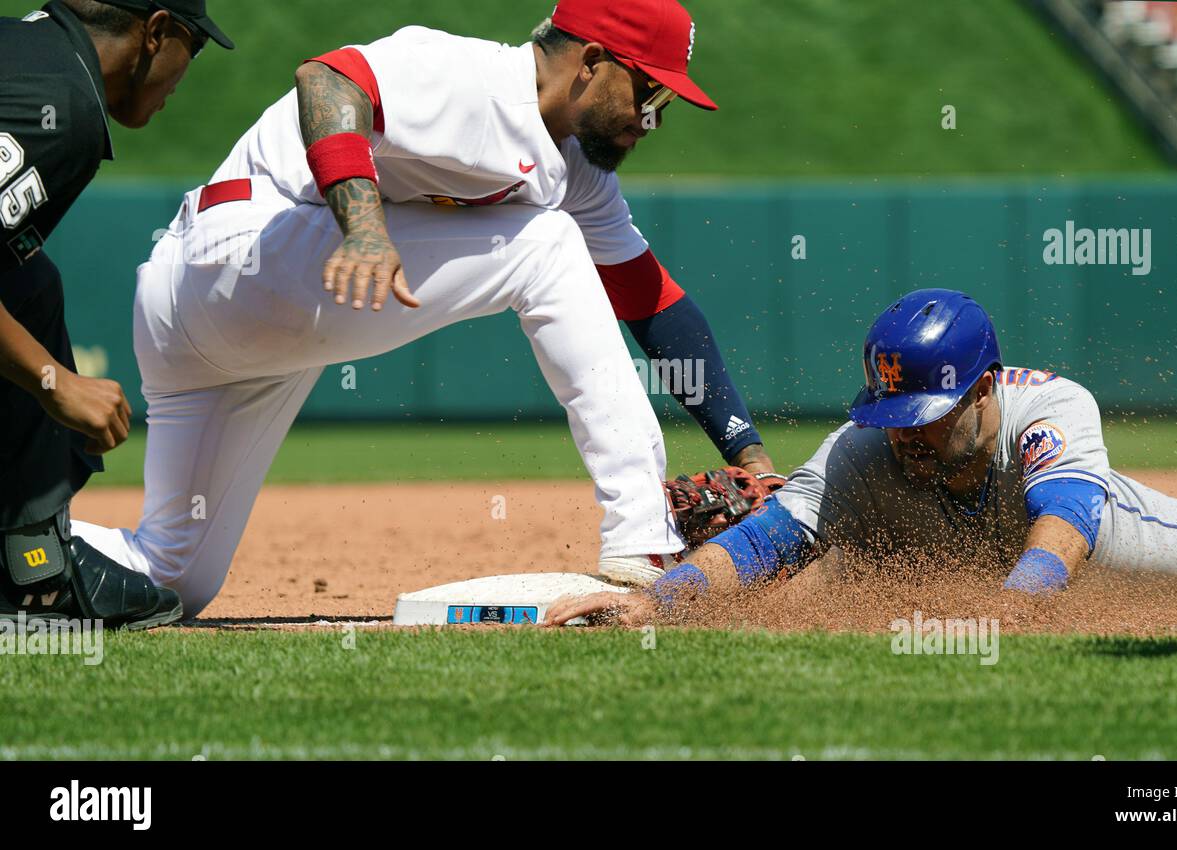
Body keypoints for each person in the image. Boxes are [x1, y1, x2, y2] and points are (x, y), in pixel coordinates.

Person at [71, 0, 780, 617]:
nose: (652, 121)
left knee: (173, 576)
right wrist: (365, 225)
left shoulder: (579, 173)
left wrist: (749, 454)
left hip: (215, 324)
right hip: (240, 254)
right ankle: (641, 544)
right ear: (593, 61)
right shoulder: (468, 77)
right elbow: (326, 78)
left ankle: (30, 541)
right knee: (547, 246)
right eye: (650, 94)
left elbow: (650, 302)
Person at [546, 289, 1177, 626]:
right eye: (892, 415)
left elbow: (1069, 517)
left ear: (983, 390)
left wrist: (1015, 605)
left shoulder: (1050, 405)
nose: (904, 433)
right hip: (1036, 579)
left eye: (925, 417)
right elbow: (771, 537)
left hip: (1125, 549)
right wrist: (659, 599)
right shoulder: (865, 447)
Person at [0, 0, 231, 628]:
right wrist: (56, 383)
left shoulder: (30, 57)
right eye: (194, 46)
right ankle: (31, 578)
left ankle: (29, 565)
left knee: (28, 283)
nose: (185, 77)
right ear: (156, 33)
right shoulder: (64, 106)